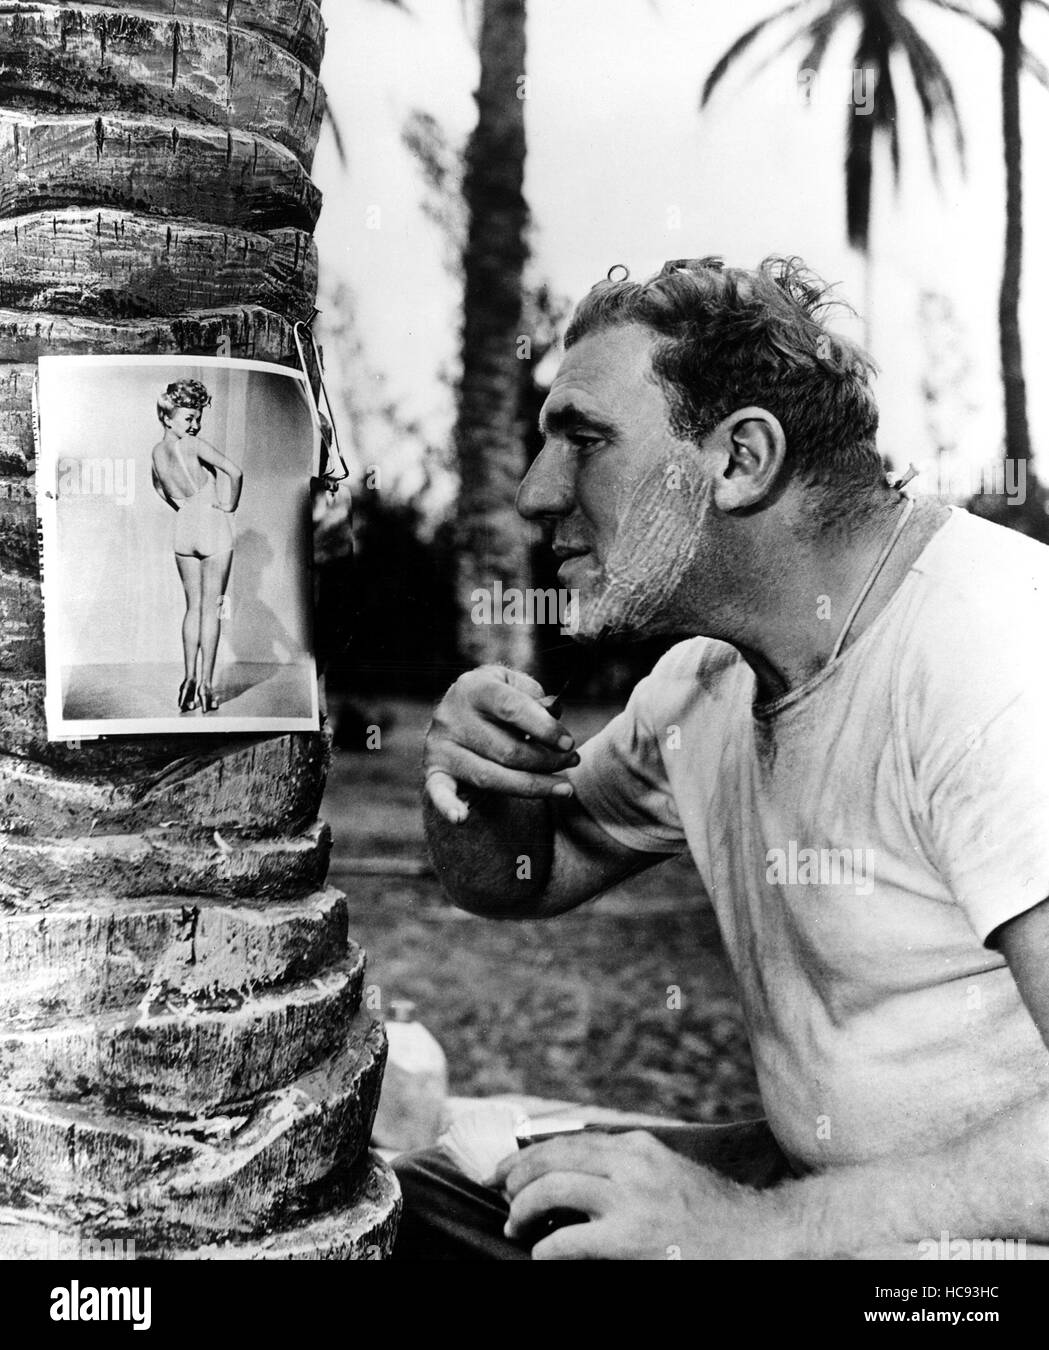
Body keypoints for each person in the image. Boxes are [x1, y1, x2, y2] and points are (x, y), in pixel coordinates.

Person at [403, 255, 1049, 1260]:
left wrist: (753, 1227)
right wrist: (480, 783)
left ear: (740, 458)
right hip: (833, 1198)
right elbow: (519, 879)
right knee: (420, 1195)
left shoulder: (998, 649)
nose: (536, 495)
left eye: (582, 440)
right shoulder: (700, 685)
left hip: (974, 1244)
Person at [151, 379, 243, 713]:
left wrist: (184, 508)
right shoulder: (194, 445)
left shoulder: (157, 453)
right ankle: (206, 685)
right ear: (167, 417)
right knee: (212, 609)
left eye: (197, 417)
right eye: (189, 418)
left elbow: (161, 490)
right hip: (212, 525)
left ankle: (187, 679)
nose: (195, 424)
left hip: (184, 530)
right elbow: (235, 472)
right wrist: (229, 507)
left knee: (193, 607)